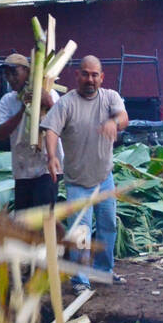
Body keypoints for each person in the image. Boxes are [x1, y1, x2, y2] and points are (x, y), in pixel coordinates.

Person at [41, 55, 127, 293]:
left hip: (104, 177)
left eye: (94, 75)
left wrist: (114, 123)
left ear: (101, 77)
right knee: (80, 231)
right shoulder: (66, 103)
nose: (90, 79)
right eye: (86, 74)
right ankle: (80, 279)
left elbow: (123, 117)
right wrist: (51, 156)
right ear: (77, 75)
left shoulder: (110, 97)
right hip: (78, 181)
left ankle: (103, 271)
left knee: (108, 225)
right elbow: (50, 130)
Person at [0, 52, 58, 212]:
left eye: (14, 72)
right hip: (22, 171)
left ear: (27, 72)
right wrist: (23, 109)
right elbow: (0, 133)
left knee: (43, 220)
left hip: (46, 169)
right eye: (7, 74)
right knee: (23, 222)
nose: (10, 78)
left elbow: (64, 125)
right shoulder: (7, 101)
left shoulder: (50, 93)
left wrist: (48, 102)